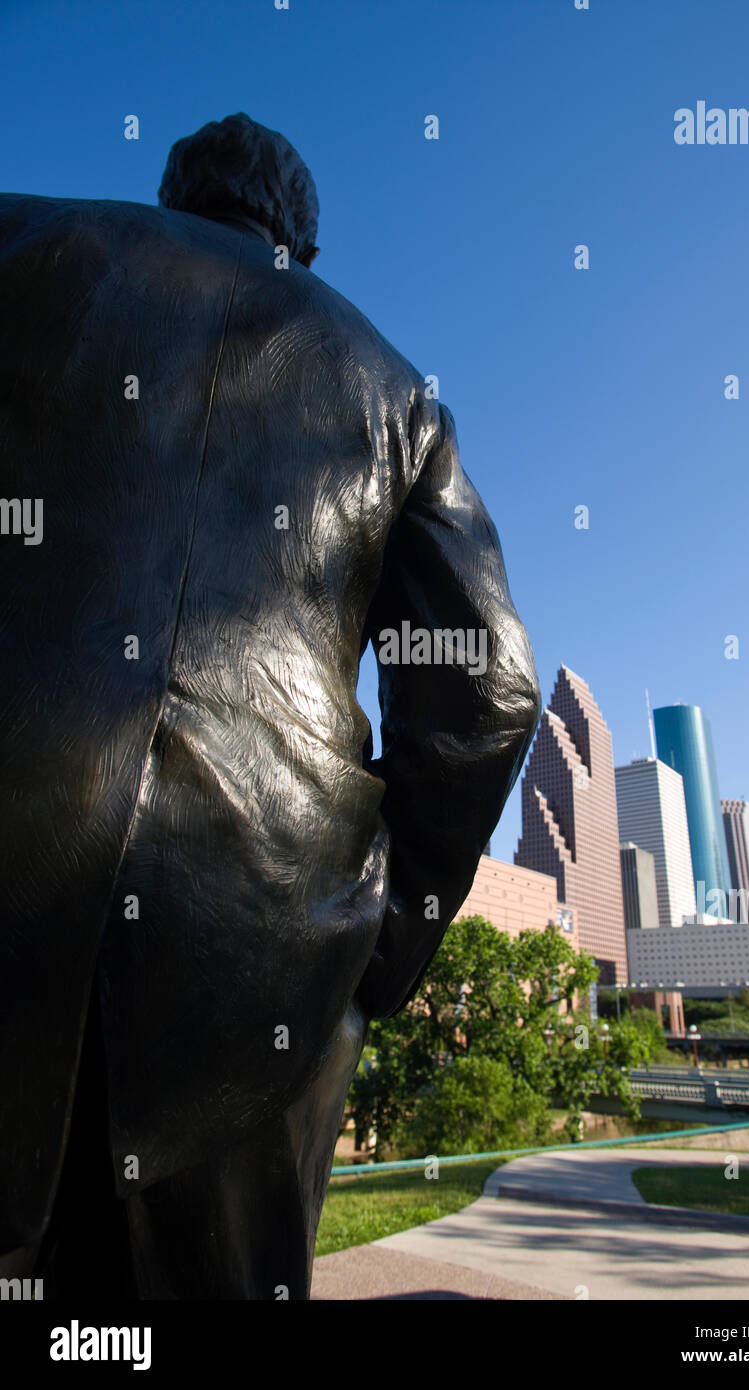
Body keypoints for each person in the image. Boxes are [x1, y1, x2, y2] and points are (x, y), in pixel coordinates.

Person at [0, 113, 541, 1299]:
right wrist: (378, 948)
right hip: (263, 948)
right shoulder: (397, 392)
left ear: (171, 193)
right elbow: (489, 690)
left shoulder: (22, 248)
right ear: (303, 238)